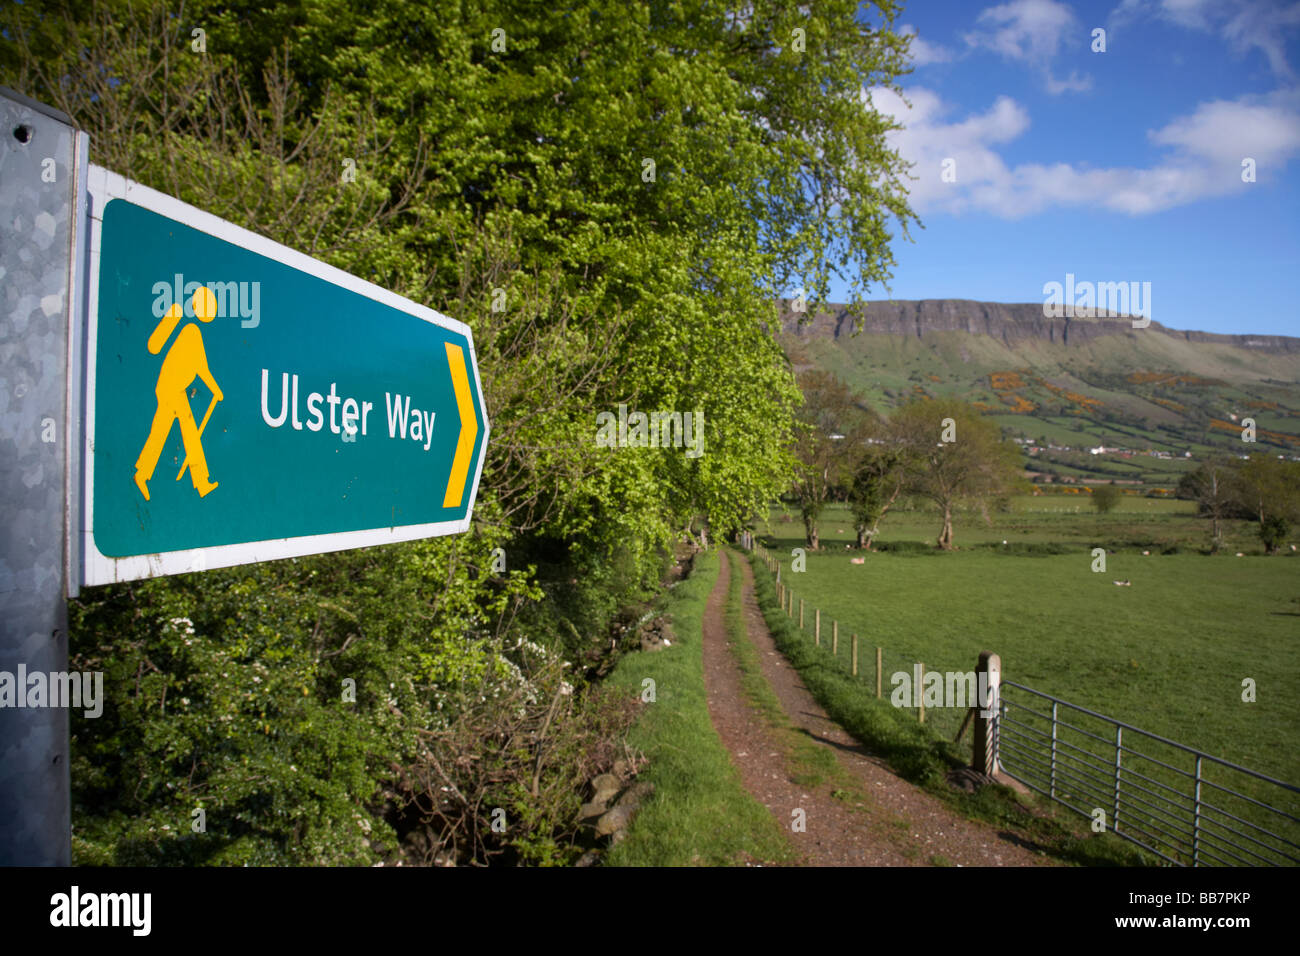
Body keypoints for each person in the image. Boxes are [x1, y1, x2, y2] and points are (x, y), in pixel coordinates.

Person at [134, 287, 223, 501]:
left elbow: (201, 367)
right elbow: (202, 367)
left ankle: (147, 474)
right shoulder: (191, 330)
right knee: (175, 432)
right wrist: (215, 389)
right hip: (171, 388)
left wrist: (215, 389)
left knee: (171, 431)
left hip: (174, 389)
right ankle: (198, 481)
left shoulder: (193, 330)